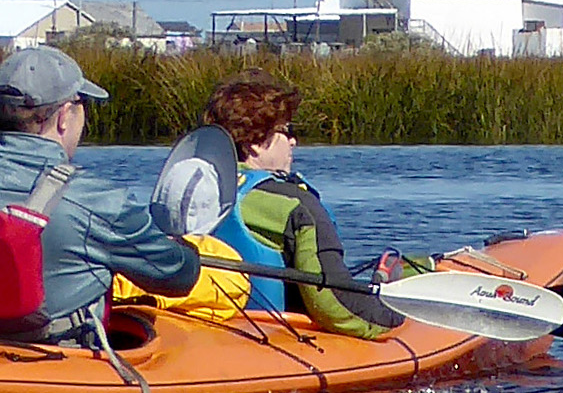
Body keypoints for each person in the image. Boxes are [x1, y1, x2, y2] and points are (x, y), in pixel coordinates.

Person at [0, 46, 202, 341]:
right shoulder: (102, 200)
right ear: (63, 117)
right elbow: (178, 277)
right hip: (60, 366)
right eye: (82, 104)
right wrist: (185, 248)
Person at [156, 72, 401, 339]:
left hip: (195, 331)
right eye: (287, 131)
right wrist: (400, 318)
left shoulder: (183, 191)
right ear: (256, 144)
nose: (293, 141)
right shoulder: (294, 204)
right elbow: (335, 304)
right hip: (269, 337)